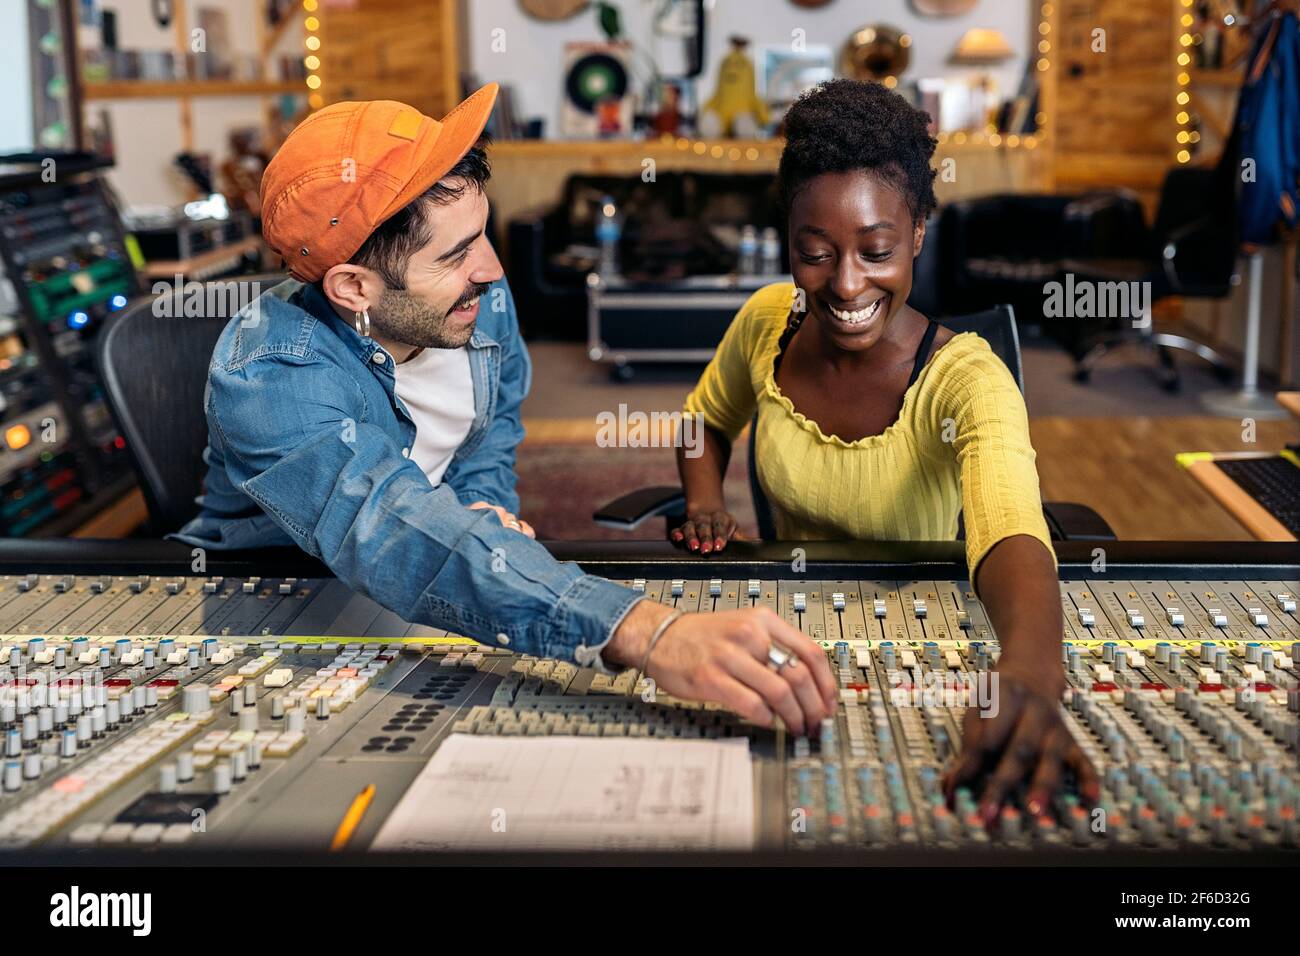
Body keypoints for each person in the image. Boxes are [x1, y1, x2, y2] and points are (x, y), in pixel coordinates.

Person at [175, 85, 836, 735]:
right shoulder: (270, 369)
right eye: (457, 254)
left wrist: (483, 506)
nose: (492, 269)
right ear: (356, 289)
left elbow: (486, 441)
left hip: (440, 589)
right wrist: (649, 632)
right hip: (279, 615)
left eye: (481, 236)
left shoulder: (477, 301)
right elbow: (389, 525)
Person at [672, 79, 1100, 822]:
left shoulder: (968, 378)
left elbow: (1011, 526)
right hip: (791, 637)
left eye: (876, 251)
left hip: (921, 643)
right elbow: (700, 419)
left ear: (917, 236)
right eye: (814, 253)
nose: (844, 285)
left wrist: (1029, 674)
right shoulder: (768, 321)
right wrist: (705, 498)